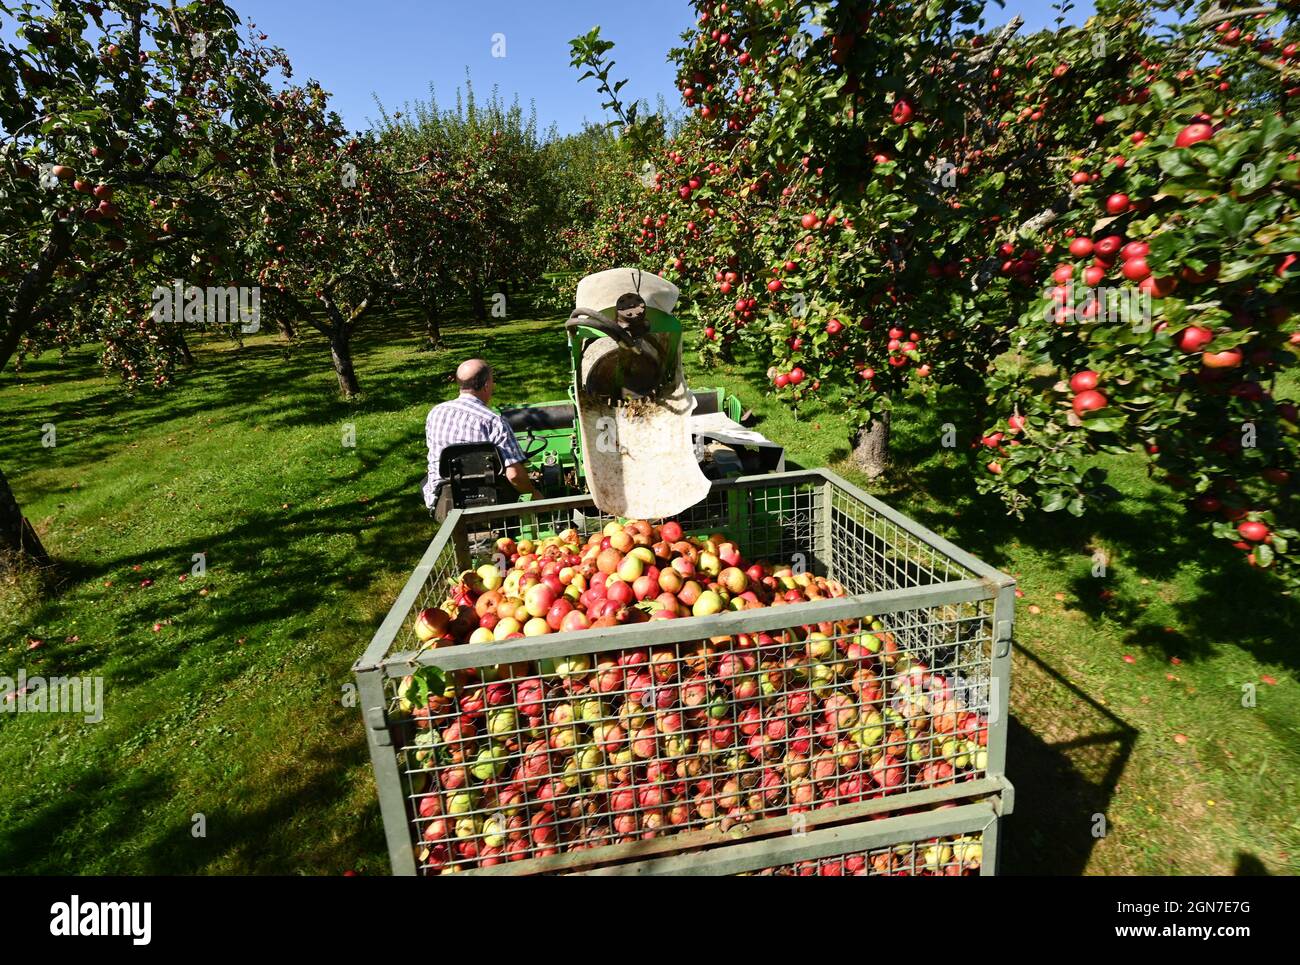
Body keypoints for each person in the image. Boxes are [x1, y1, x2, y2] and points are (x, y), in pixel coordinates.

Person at [423, 359, 540, 518]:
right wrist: (534, 493)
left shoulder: (435, 413)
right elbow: (514, 475)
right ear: (486, 385)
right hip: (489, 505)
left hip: (445, 507)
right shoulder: (493, 421)